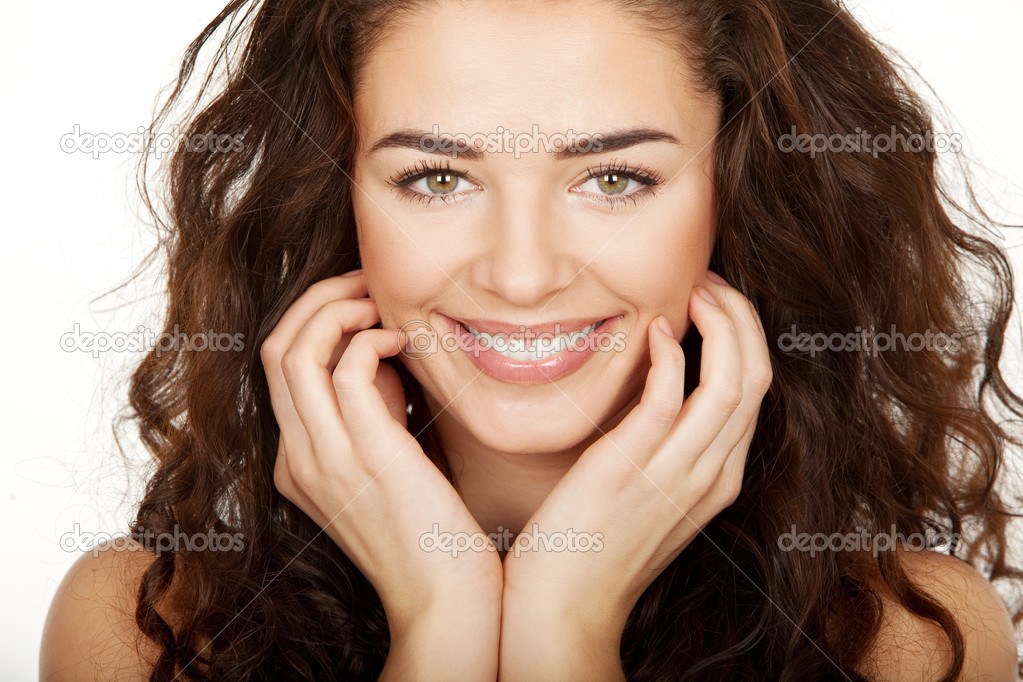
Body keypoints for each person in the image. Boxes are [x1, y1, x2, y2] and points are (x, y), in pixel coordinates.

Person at [41, 0, 1022, 679]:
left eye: (614, 179)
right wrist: (442, 627)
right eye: (436, 177)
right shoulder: (145, 632)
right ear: (338, 206)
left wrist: (563, 627)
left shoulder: (907, 642)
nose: (520, 273)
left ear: (736, 199)